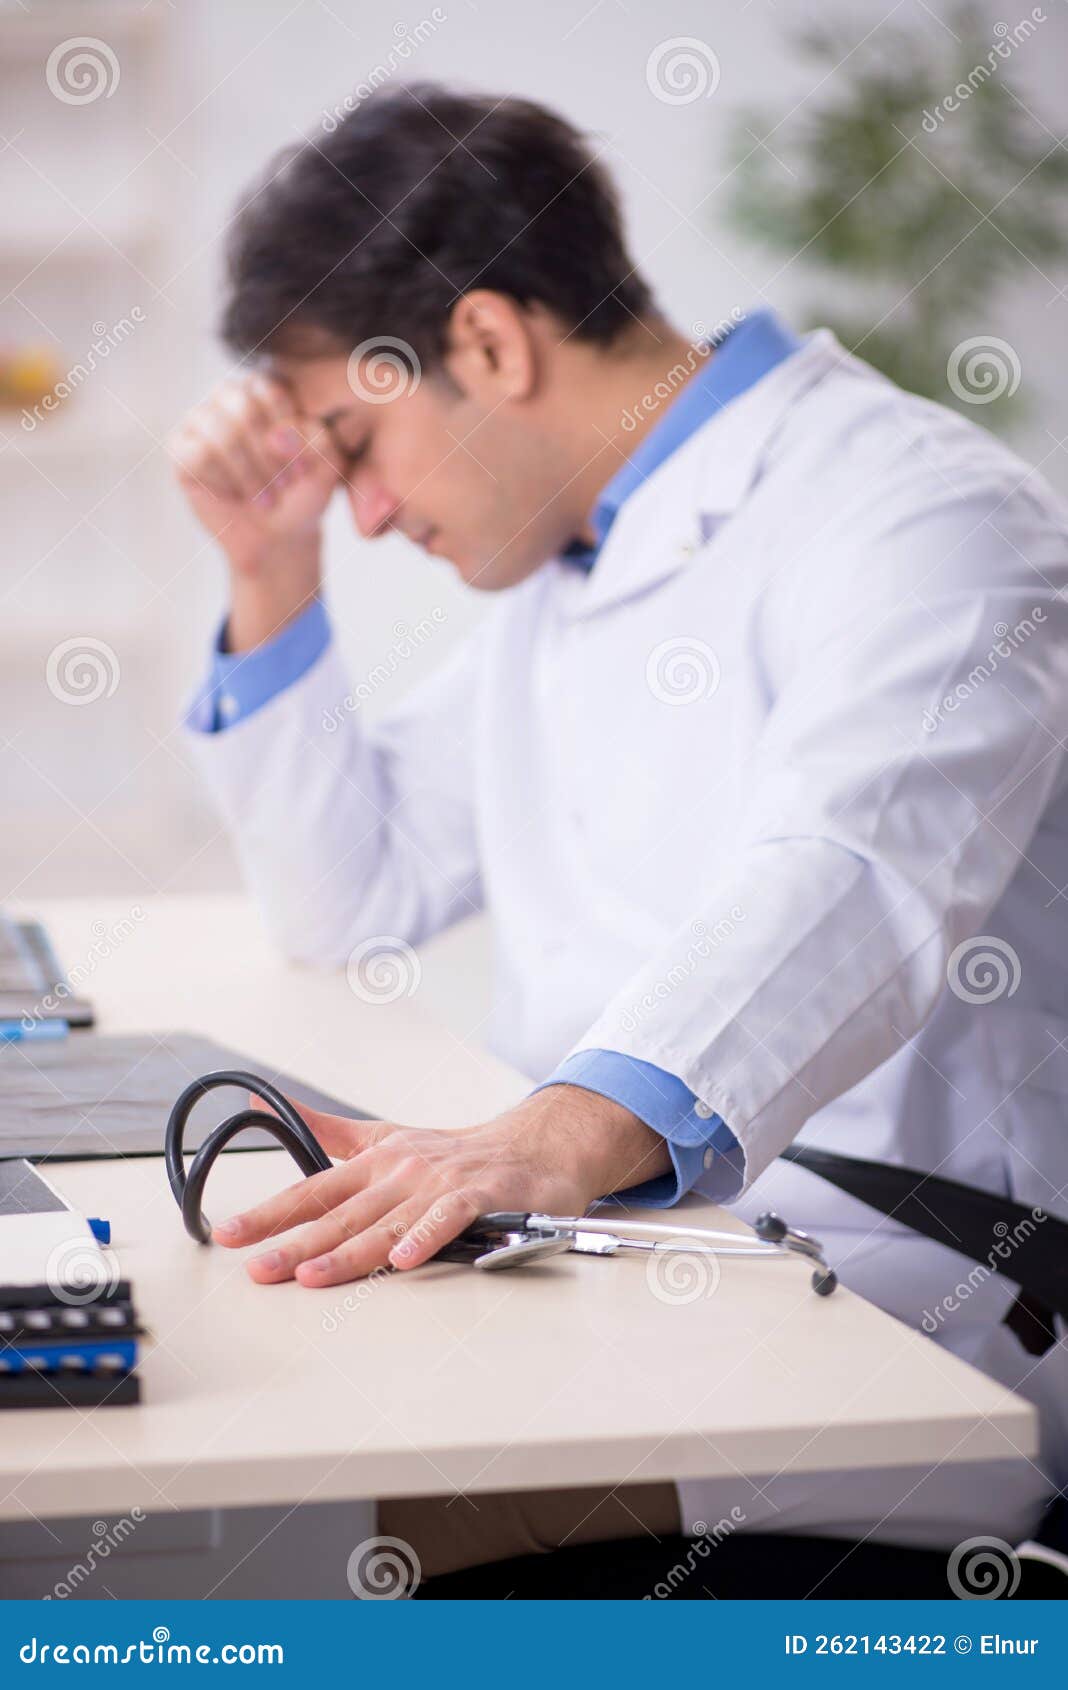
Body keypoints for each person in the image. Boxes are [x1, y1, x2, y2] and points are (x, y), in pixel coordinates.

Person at [170, 83, 1068, 1594]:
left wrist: (550, 1135)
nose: (367, 512)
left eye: (356, 442)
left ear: (491, 343)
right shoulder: (568, 577)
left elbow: (853, 870)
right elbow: (354, 896)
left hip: (921, 1288)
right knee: (353, 1437)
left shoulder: (926, 516)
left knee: (429, 1517)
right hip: (644, 1257)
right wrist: (271, 566)